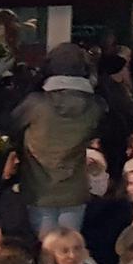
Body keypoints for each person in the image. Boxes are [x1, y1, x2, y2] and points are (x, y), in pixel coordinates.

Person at [8, 43, 104, 236]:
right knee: (70, 249)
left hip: (38, 189)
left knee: (47, 250)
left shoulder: (36, 104)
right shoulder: (95, 106)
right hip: (75, 190)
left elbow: (11, 127)